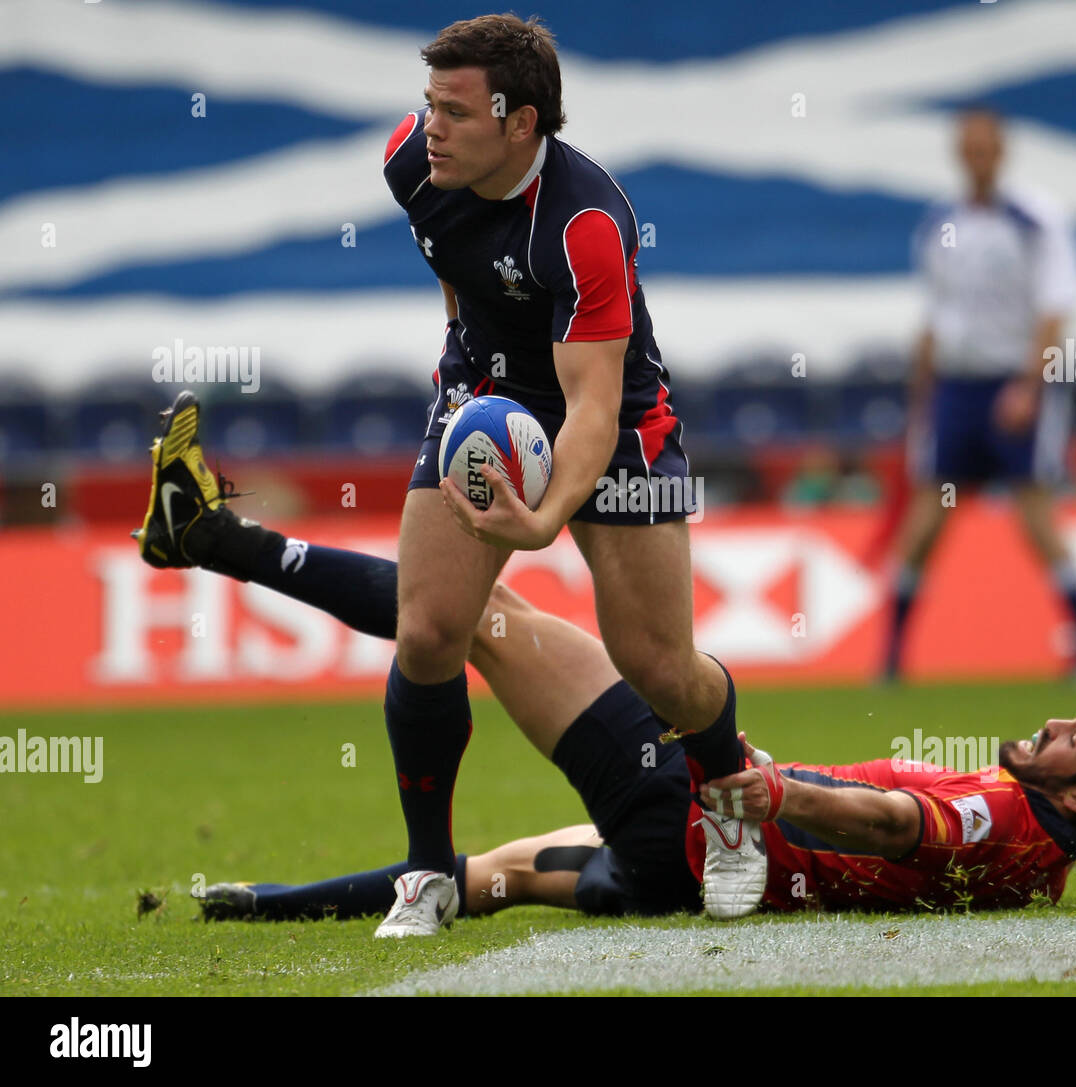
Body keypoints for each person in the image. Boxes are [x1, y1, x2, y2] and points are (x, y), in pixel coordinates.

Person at [140, 13, 761, 937]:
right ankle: (426, 873)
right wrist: (468, 366)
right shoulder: (411, 162)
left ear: (522, 124)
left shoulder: (588, 224)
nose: (428, 125)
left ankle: (728, 801)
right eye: (429, 102)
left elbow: (592, 407)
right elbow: (457, 263)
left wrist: (545, 519)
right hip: (487, 392)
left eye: (455, 110)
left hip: (619, 424)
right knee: (429, 629)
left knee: (659, 664)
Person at [132, 405, 1076, 924]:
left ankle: (216, 541)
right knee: (488, 877)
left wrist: (765, 788)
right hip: (670, 877)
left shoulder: (1013, 815)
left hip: (698, 812)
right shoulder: (1046, 870)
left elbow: (892, 822)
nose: (1054, 722)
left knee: (475, 615)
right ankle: (264, 904)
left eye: (1073, 737)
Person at [882, 108, 1076, 681]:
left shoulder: (1036, 219)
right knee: (927, 517)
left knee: (1036, 514)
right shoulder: (940, 225)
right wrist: (922, 397)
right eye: (967, 149)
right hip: (957, 387)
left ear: (1002, 152)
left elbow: (1056, 309)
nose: (976, 158)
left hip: (1013, 383)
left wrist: (1032, 385)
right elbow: (933, 316)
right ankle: (892, 656)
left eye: (985, 148)